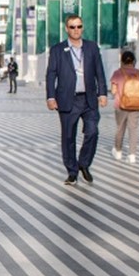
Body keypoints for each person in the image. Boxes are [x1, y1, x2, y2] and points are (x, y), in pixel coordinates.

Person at [45, 13, 108, 185]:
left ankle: (84, 163)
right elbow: (51, 75)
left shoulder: (92, 47)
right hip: (67, 99)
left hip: (89, 99)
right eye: (72, 27)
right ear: (67, 29)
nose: (76, 30)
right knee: (68, 137)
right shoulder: (58, 50)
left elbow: (99, 72)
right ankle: (72, 171)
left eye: (79, 26)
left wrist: (102, 93)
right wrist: (50, 96)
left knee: (92, 131)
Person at [109, 50, 139, 164]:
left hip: (121, 105)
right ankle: (132, 155)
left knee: (120, 128)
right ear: (133, 61)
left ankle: (118, 151)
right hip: (136, 105)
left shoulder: (117, 73)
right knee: (133, 129)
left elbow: (113, 90)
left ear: (122, 61)